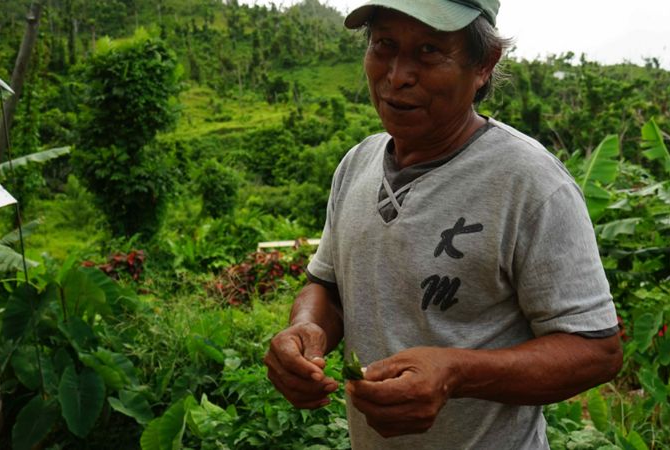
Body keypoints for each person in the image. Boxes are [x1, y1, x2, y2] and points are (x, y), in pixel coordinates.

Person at [263, 0, 623, 448]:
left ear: (484, 65)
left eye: (429, 51)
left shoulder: (530, 182)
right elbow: (328, 287)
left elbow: (597, 351)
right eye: (384, 45)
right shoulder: (357, 164)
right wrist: (306, 328)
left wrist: (457, 373)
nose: (397, 76)